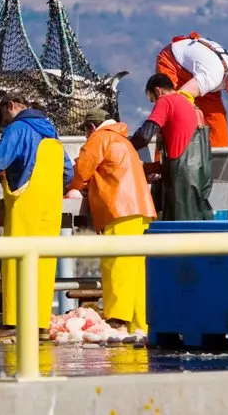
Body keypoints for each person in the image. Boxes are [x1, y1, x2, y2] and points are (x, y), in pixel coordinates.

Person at [0, 96, 74, 341]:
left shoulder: (19, 129)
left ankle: (14, 323)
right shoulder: (51, 132)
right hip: (51, 208)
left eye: (4, 117)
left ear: (11, 106)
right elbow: (69, 171)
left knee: (16, 261)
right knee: (44, 264)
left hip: (26, 207)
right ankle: (41, 325)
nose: (5, 124)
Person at [67, 108, 156, 335]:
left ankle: (117, 321)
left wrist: (70, 187)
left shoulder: (100, 138)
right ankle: (139, 324)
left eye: (86, 132)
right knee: (136, 270)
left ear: (91, 127)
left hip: (120, 208)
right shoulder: (123, 141)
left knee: (117, 264)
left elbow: (81, 171)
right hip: (141, 210)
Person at [130, 73, 214, 221]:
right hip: (200, 174)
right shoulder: (190, 105)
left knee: (179, 228)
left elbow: (144, 136)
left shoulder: (165, 101)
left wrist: (125, 147)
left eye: (152, 99)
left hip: (182, 176)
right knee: (197, 226)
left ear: (157, 91)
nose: (154, 103)